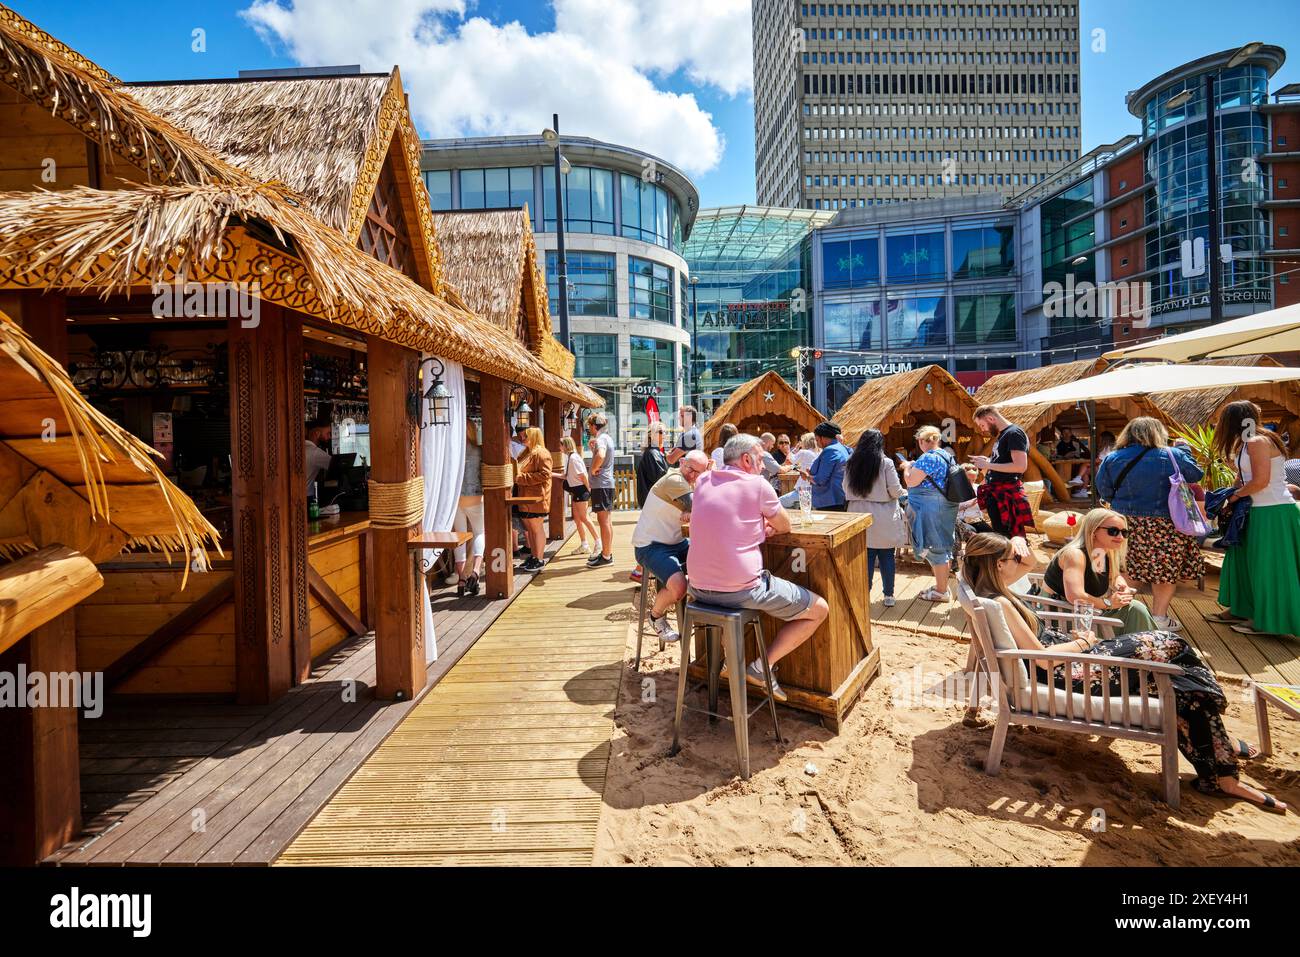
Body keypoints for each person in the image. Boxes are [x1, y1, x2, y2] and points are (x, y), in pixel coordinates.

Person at [963, 532, 1284, 813]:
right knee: (1173, 645)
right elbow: (1043, 660)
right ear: (999, 565)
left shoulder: (994, 590)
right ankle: (1222, 756)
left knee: (1184, 687)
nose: (1020, 561)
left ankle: (1222, 772)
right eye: (1012, 558)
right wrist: (1083, 642)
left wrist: (1018, 545)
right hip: (1075, 670)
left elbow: (1030, 562)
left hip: (1077, 660)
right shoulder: (1001, 603)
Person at [688, 435, 829, 702]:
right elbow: (784, 525)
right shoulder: (757, 484)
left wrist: (754, 526)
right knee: (820, 609)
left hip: (697, 589)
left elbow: (723, 520)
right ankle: (761, 667)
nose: (764, 466)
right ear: (746, 459)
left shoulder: (704, 480)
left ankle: (730, 662)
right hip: (739, 590)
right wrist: (762, 526)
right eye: (761, 459)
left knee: (729, 599)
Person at [1095, 417, 1203, 631]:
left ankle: (1121, 614)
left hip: (1124, 523)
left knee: (1126, 569)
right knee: (1164, 572)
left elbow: (1104, 491)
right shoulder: (1173, 454)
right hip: (1166, 524)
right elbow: (1195, 474)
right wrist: (1184, 450)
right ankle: (1159, 617)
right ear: (1158, 433)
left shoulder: (1113, 458)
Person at [1213, 400, 1300, 637]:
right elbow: (1246, 477)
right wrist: (1231, 492)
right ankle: (1244, 610)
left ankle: (1268, 621)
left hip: (1272, 512)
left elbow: (1261, 481)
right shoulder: (1248, 441)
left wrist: (1233, 497)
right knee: (1245, 562)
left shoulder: (1256, 441)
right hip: (1258, 510)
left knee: (1269, 569)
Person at [1038, 507, 1161, 635]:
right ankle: (1151, 644)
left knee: (1136, 609)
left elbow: (1113, 577)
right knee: (1135, 612)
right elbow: (1076, 596)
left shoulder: (1099, 553)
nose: (1120, 537)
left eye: (1124, 532)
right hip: (1062, 619)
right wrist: (1108, 603)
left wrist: (1122, 586)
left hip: (1085, 615)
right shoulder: (1075, 555)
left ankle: (1150, 644)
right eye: (1113, 531)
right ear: (1094, 531)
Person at [630, 450, 711, 644]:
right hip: (651, 545)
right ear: (681, 462)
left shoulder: (691, 482)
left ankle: (704, 615)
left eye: (698, 472)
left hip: (677, 542)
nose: (692, 475)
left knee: (711, 562)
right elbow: (704, 507)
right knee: (679, 587)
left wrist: (693, 508)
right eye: (690, 469)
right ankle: (656, 616)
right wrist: (693, 507)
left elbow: (702, 507)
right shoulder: (675, 479)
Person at [843, 428, 905, 607]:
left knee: (865, 556)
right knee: (886, 556)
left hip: (857, 513)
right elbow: (895, 490)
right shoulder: (886, 463)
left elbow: (845, 488)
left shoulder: (851, 462)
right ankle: (889, 595)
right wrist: (903, 493)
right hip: (883, 513)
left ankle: (864, 594)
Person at [902, 424, 959, 602]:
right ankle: (942, 586)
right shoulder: (946, 456)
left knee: (935, 547)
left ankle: (941, 592)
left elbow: (911, 481)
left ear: (921, 441)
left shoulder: (928, 457)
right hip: (944, 505)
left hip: (931, 507)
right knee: (943, 546)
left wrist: (906, 467)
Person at [971, 405, 1033, 538]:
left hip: (1006, 495)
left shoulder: (1014, 434)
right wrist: (989, 461)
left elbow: (1020, 466)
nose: (983, 429)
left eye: (982, 425)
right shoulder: (1005, 434)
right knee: (1002, 536)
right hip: (999, 494)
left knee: (1008, 538)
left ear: (991, 419)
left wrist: (988, 464)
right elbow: (1005, 462)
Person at [449, 420, 485, 596]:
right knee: (479, 533)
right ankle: (476, 571)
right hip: (475, 497)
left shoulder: (451, 450)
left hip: (455, 499)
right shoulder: (479, 451)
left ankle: (462, 579)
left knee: (459, 537)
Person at [512, 427, 553, 573]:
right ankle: (535, 556)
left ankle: (539, 558)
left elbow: (545, 474)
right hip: (527, 498)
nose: (523, 438)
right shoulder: (528, 452)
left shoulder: (541, 453)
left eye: (526, 436)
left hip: (536, 499)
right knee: (531, 529)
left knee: (536, 529)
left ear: (534, 437)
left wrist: (521, 478)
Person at [556, 436, 598, 554]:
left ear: (565, 446)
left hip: (581, 490)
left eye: (560, 445)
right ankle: (584, 544)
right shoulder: (571, 457)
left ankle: (598, 542)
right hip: (577, 490)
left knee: (584, 518)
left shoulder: (573, 458)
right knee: (577, 519)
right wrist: (551, 474)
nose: (559, 447)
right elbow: (566, 476)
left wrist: (589, 490)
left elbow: (583, 476)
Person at [585, 413, 617, 568]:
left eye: (589, 426)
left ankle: (606, 556)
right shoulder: (607, 438)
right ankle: (606, 552)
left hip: (601, 485)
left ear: (593, 426)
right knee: (607, 521)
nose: (589, 429)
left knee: (603, 521)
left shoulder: (601, 439)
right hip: (606, 484)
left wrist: (593, 469)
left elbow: (602, 455)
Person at [807, 421, 850, 511]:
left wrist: (807, 476)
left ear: (822, 438)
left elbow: (820, 479)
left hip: (830, 501)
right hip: (839, 498)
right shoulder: (842, 448)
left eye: (817, 440)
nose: (817, 443)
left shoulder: (830, 450)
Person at [780, 432, 819, 507]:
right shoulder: (818, 453)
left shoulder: (804, 452)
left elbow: (789, 460)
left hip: (802, 490)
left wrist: (791, 450)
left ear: (805, 442)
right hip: (814, 491)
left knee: (778, 503)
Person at [636, 422, 670, 507]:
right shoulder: (652, 453)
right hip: (654, 502)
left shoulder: (654, 452)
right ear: (651, 435)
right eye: (660, 432)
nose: (664, 435)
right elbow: (660, 479)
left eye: (665, 432)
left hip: (654, 501)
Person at [304, 418, 333, 495]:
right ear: (317, 433)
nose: (329, 437)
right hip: (306, 496)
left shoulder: (302, 447)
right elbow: (336, 466)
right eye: (328, 433)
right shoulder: (315, 452)